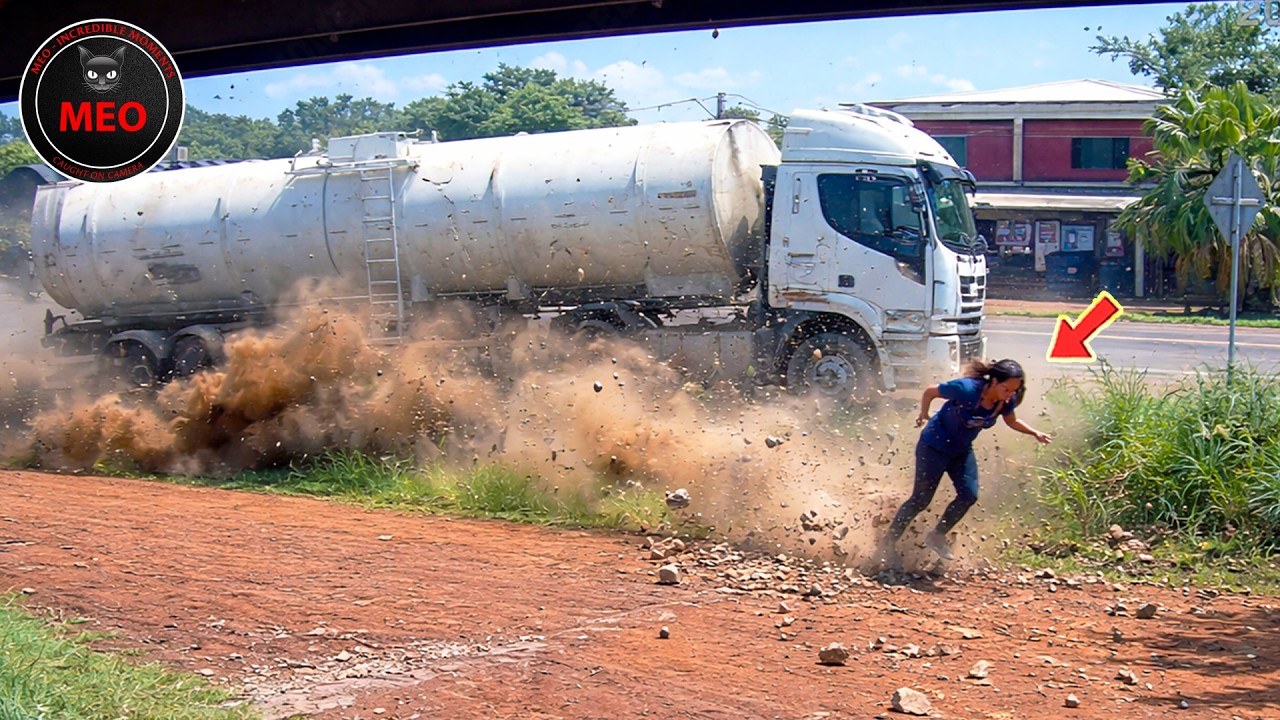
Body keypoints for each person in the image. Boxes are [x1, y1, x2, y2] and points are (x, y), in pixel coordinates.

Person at [882, 358, 1052, 561]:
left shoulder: (1005, 401)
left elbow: (1012, 421)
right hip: (933, 447)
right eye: (1006, 389)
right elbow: (930, 391)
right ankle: (888, 543)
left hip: (960, 451)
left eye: (1014, 391)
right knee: (920, 500)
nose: (1010, 396)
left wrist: (1034, 433)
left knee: (969, 496)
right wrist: (924, 413)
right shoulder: (966, 389)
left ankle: (937, 535)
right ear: (994, 381)